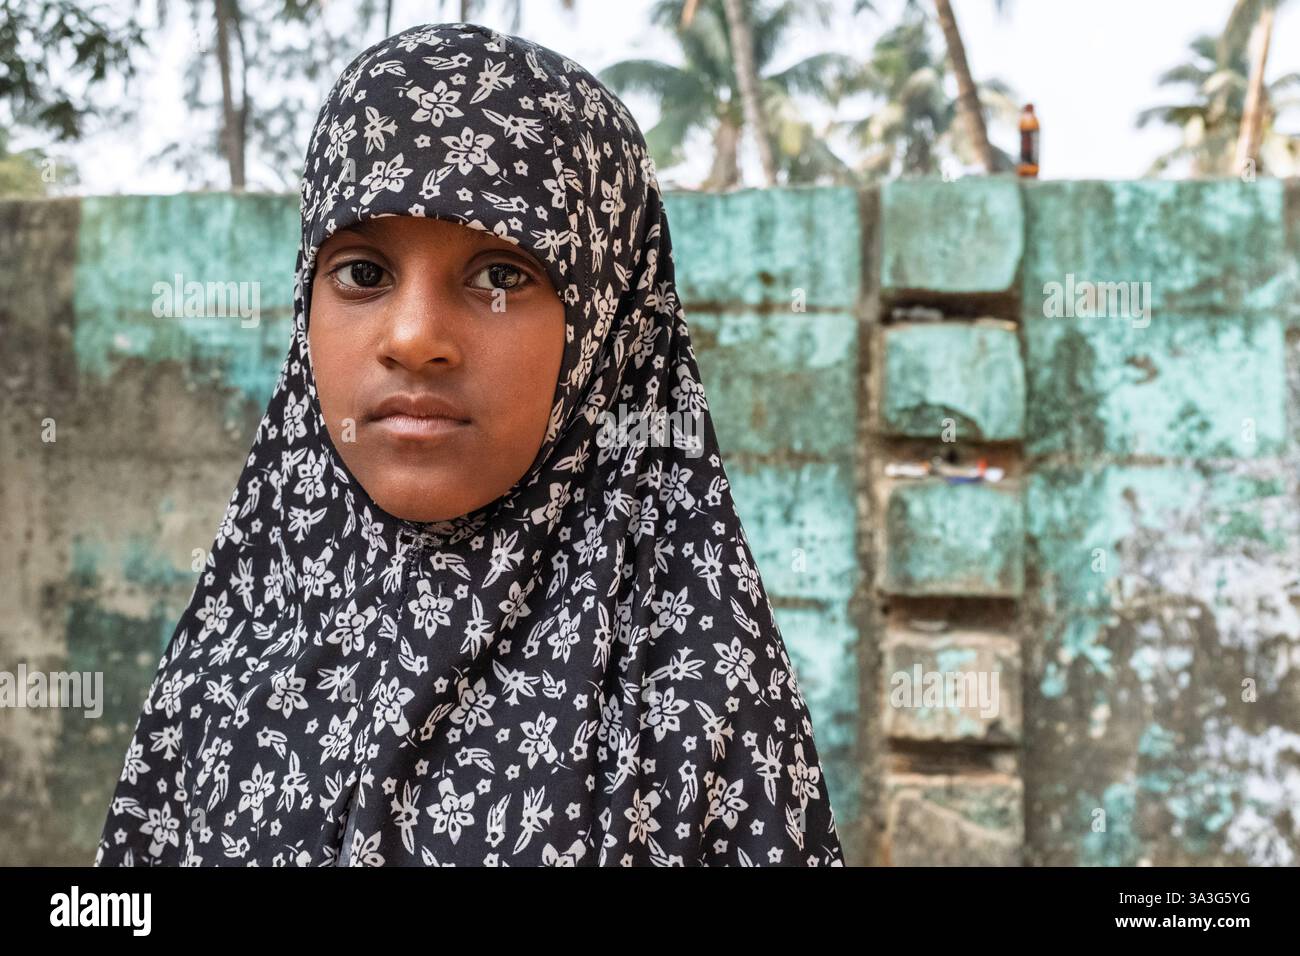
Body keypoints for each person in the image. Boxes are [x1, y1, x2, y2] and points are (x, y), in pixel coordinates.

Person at [94, 20, 845, 867]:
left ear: (606, 327)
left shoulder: (694, 705)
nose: (415, 338)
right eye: (364, 274)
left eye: (500, 275)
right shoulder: (232, 655)